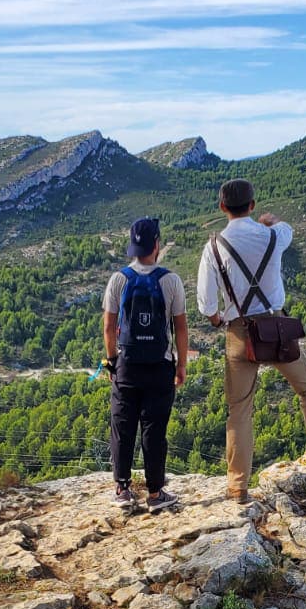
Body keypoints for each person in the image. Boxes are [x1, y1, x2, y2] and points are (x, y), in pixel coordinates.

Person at [196, 178, 306, 502]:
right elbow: (287, 230)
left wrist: (218, 319)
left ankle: (238, 487)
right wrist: (271, 221)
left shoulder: (213, 247)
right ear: (252, 205)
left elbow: (206, 304)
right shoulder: (273, 235)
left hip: (239, 332)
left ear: (222, 207)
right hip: (276, 328)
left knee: (240, 409)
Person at [102, 216, 188, 511]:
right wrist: (181, 365)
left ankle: (122, 489)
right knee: (154, 429)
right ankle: (155, 493)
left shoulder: (119, 279)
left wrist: (112, 362)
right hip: (160, 366)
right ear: (157, 245)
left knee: (122, 426)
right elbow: (180, 328)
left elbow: (108, 326)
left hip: (127, 365)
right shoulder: (171, 280)